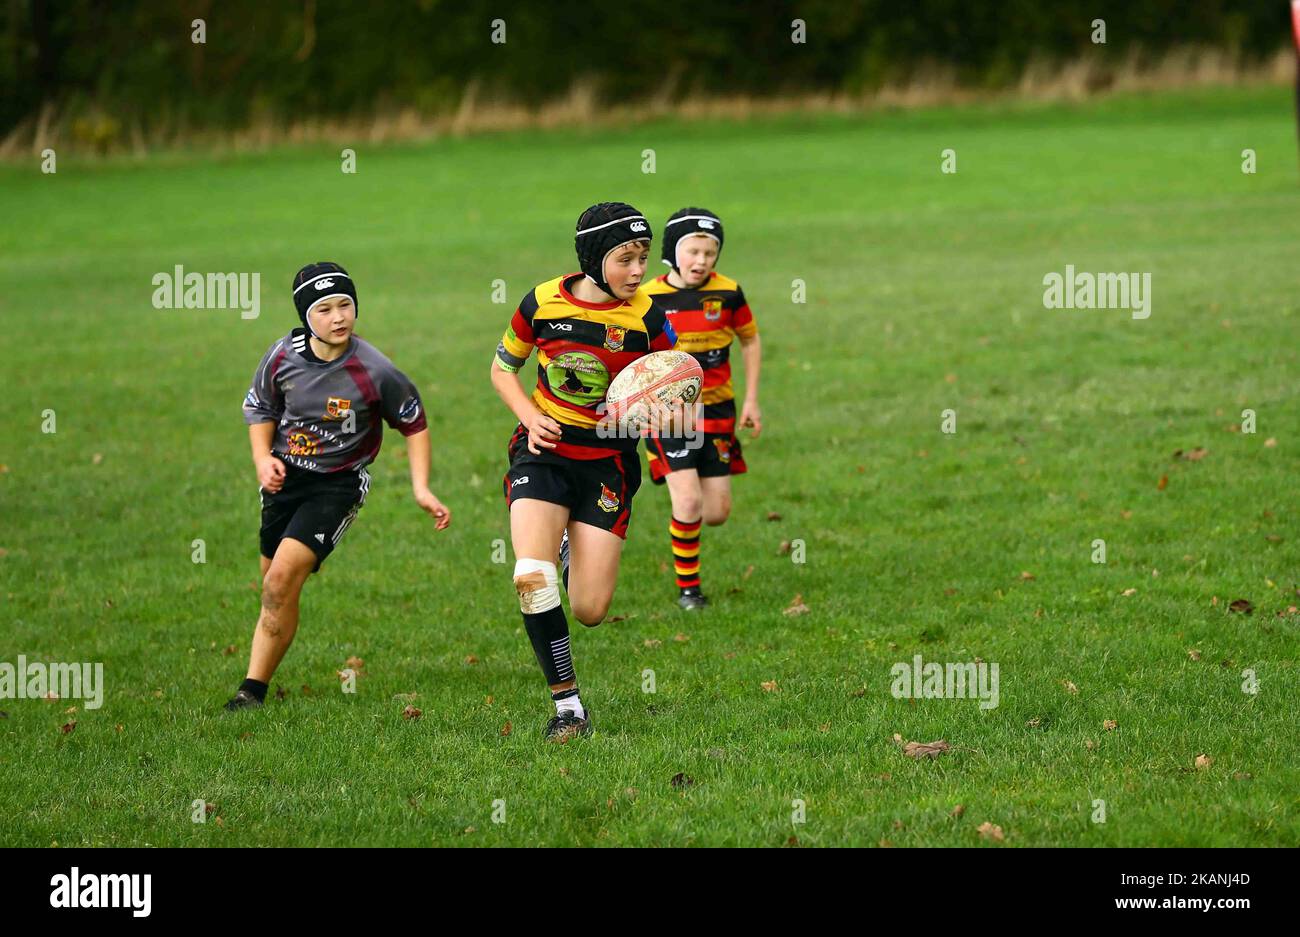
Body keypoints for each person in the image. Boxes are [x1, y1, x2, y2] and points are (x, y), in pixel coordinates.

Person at [490, 202, 678, 740]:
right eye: (626, 259)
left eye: (644, 258)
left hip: (609, 462)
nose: (638, 270)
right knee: (531, 575)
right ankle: (568, 705)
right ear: (594, 259)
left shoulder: (647, 317)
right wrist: (530, 416)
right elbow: (503, 369)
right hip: (543, 453)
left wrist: (664, 410)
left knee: (591, 609)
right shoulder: (543, 303)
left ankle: (572, 550)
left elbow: (675, 380)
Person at [227, 261, 451, 711]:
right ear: (305, 316)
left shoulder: (374, 369)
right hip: (284, 482)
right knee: (274, 586)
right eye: (324, 309)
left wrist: (421, 488)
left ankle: (251, 691)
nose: (338, 317)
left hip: (337, 486)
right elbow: (260, 409)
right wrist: (262, 458)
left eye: (345, 305)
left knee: (278, 585)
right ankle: (259, 680)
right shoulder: (281, 357)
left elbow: (414, 422)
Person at [643, 208, 762, 610]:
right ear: (672, 252)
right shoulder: (648, 298)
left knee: (716, 512)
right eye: (693, 251)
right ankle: (689, 592)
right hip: (671, 417)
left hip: (719, 411)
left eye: (710, 253)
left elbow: (750, 340)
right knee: (689, 502)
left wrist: (751, 400)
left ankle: (684, 491)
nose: (701, 261)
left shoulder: (728, 292)